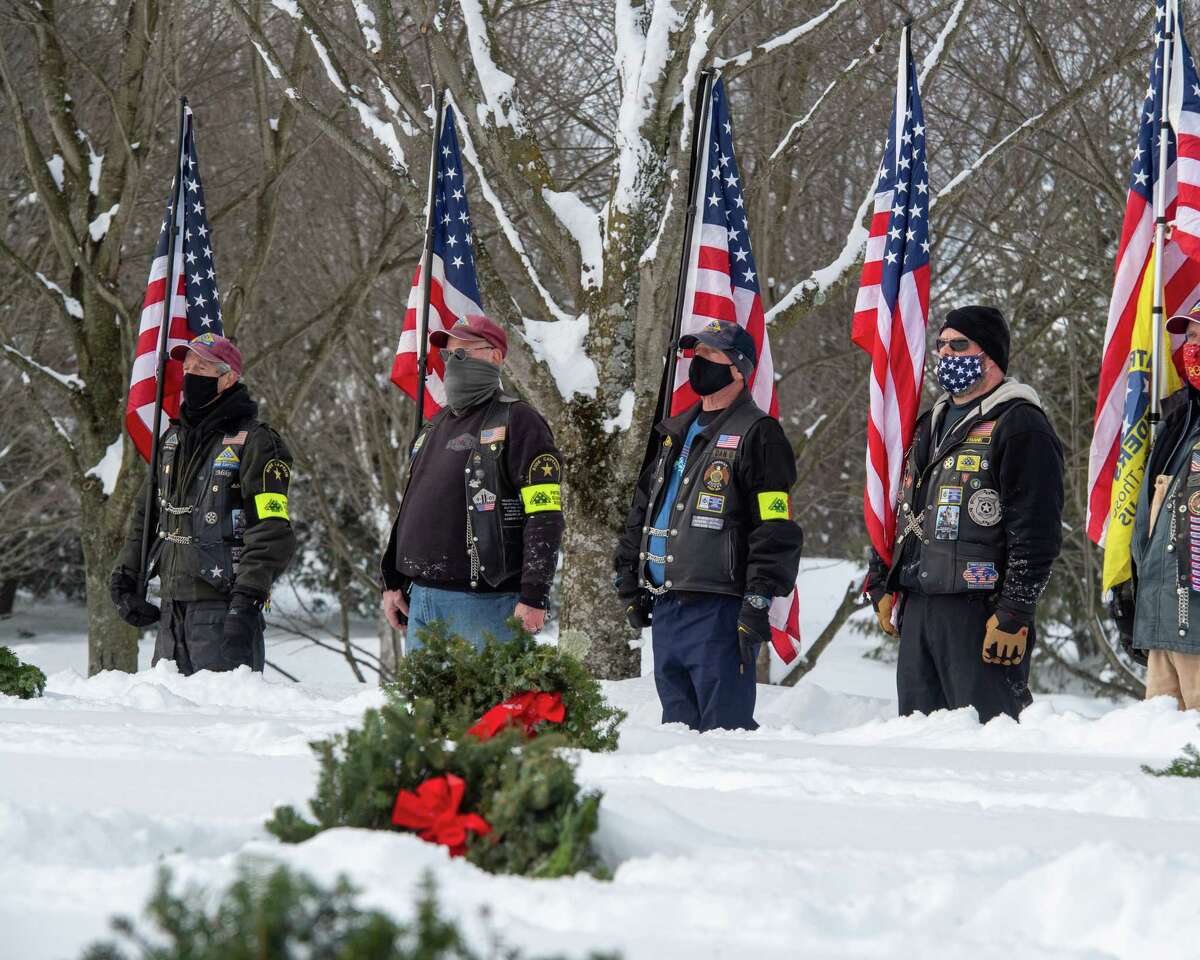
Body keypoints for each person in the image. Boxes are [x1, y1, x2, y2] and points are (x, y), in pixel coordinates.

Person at [865, 305, 1064, 723]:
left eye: (959, 345)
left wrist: (1014, 612)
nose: (946, 355)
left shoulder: (1020, 424)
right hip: (919, 606)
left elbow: (1037, 532)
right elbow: (898, 508)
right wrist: (882, 579)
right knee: (919, 738)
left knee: (983, 737)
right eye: (940, 345)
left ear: (990, 356)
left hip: (980, 612)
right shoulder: (925, 425)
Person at [613, 319, 804, 732]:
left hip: (719, 608)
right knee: (676, 733)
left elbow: (775, 528)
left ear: (737, 368)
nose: (697, 363)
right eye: (695, 354)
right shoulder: (673, 431)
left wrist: (758, 599)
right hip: (666, 605)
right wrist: (629, 576)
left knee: (724, 734)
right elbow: (644, 508)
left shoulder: (759, 434)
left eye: (709, 355)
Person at [111, 333, 297, 674]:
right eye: (188, 365)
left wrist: (248, 599)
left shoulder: (256, 442)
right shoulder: (171, 438)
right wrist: (125, 577)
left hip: (224, 609)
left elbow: (272, 530)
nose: (191, 374)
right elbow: (147, 514)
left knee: (220, 722)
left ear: (227, 379)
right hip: (171, 610)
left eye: (203, 367)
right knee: (165, 720)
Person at [380, 314, 564, 650]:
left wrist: (535, 593)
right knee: (424, 704)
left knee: (489, 704)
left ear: (495, 356)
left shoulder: (518, 420)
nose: (452, 364)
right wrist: (392, 582)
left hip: (485, 603)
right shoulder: (434, 426)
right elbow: (410, 507)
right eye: (449, 356)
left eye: (462, 354)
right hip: (420, 599)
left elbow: (545, 514)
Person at [1109, 303, 1200, 710]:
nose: (1192, 347)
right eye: (1190, 337)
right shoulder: (1179, 419)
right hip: (1165, 621)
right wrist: (1134, 591)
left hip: (1195, 626)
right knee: (1160, 755)